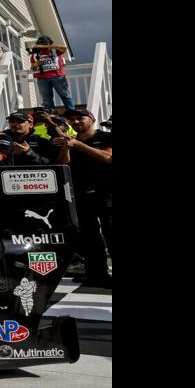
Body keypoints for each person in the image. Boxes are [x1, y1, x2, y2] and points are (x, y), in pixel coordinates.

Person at [55, 108, 112, 284]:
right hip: (81, 194)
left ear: (92, 119)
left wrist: (78, 145)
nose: (76, 122)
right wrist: (66, 147)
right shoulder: (71, 141)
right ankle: (97, 275)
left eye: (80, 118)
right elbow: (63, 163)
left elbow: (108, 157)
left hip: (107, 193)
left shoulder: (106, 137)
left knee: (111, 233)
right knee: (89, 237)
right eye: (72, 120)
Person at [30, 36, 73, 110]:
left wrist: (49, 46)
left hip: (58, 76)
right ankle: (50, 113)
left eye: (45, 43)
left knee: (65, 95)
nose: (43, 45)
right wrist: (36, 64)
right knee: (46, 99)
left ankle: (71, 112)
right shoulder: (34, 55)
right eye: (42, 43)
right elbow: (33, 68)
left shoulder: (55, 51)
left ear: (49, 43)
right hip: (42, 79)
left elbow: (64, 48)